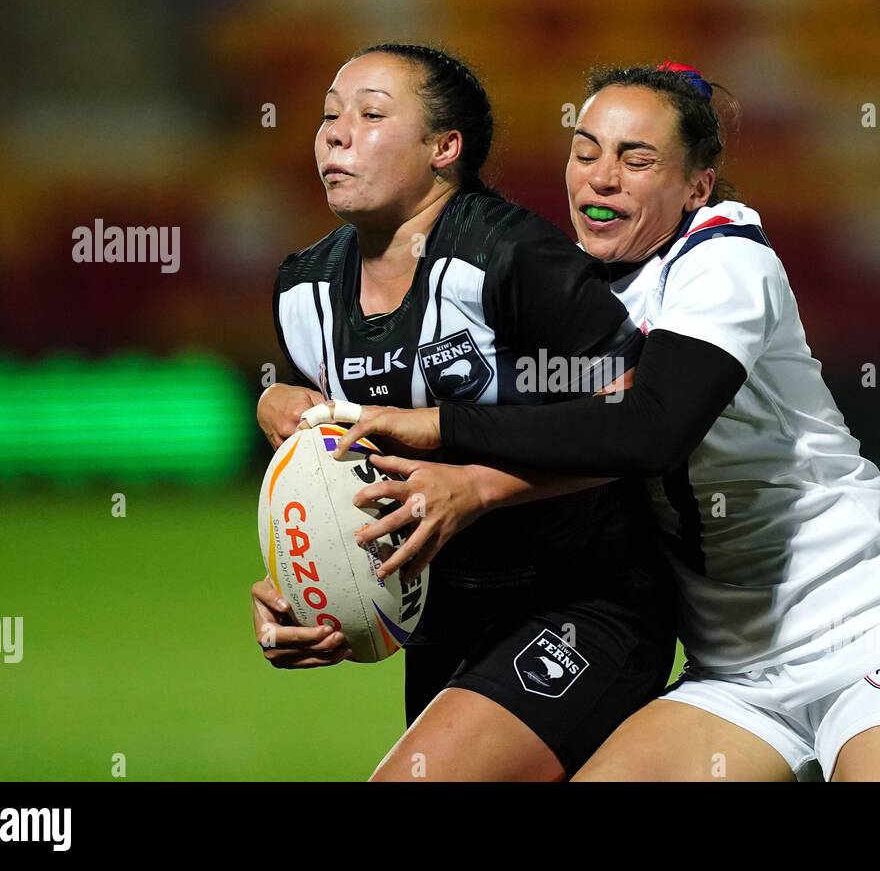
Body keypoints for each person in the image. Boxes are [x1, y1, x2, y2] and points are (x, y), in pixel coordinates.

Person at [334, 61, 880, 782]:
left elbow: (652, 428)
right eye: (585, 152)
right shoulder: (565, 296)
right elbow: (503, 470)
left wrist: (443, 430)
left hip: (873, 641)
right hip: (732, 680)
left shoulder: (724, 258)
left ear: (697, 186)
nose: (600, 178)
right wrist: (327, 572)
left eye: (636, 159)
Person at [251, 44, 679, 781]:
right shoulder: (304, 294)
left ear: (445, 148)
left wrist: (480, 487)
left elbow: (641, 419)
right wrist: (307, 583)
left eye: (371, 114)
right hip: (443, 620)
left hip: (583, 602)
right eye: (329, 115)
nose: (335, 133)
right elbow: (336, 482)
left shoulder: (512, 259)